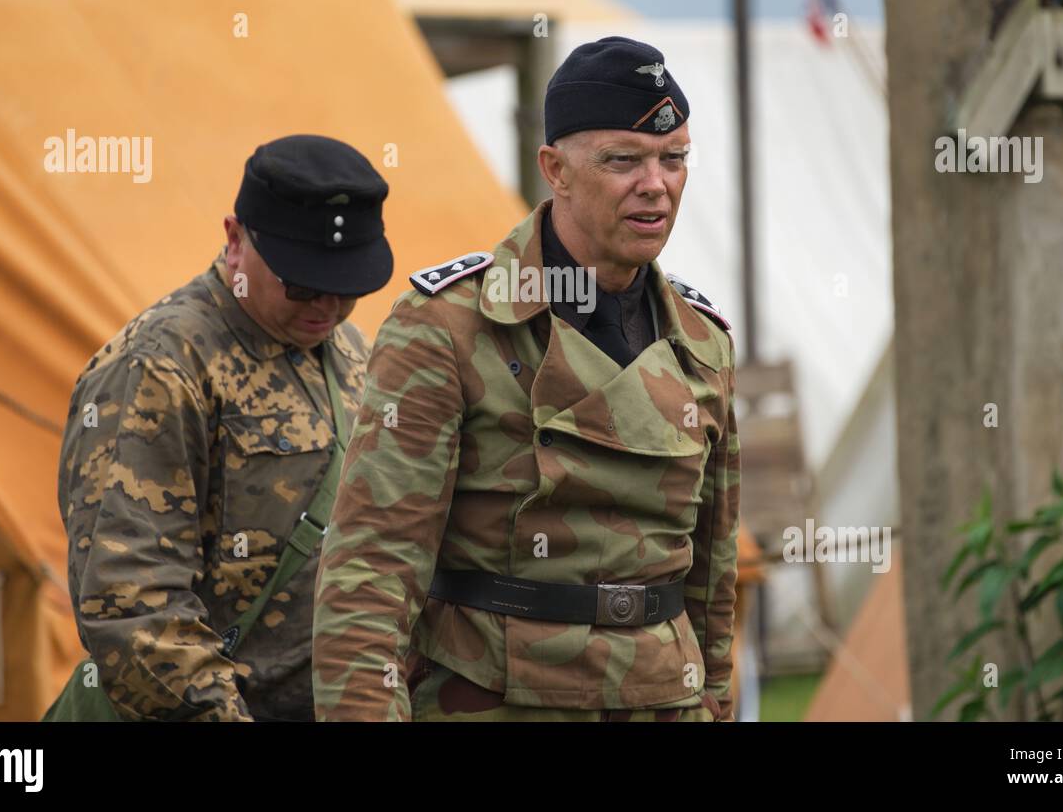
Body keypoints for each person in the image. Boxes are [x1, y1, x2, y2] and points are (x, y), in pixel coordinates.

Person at [312, 37, 741, 722]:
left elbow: (713, 585)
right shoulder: (449, 325)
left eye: (674, 159)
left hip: (664, 698)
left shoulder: (702, 342)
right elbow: (369, 574)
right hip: (498, 697)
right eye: (623, 160)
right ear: (556, 169)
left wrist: (715, 701)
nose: (655, 184)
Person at [57, 134, 392, 720]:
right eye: (303, 284)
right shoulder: (159, 367)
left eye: (348, 289)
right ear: (235, 241)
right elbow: (131, 602)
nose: (327, 309)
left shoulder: (348, 354)